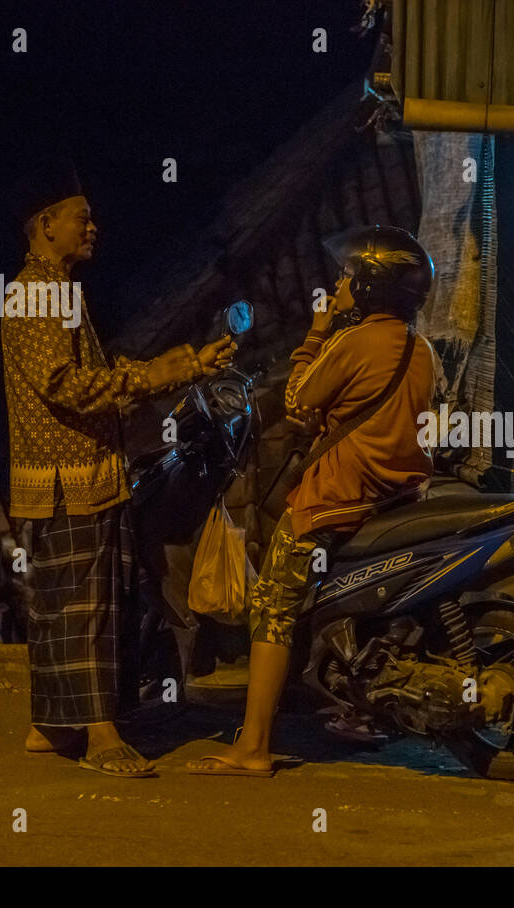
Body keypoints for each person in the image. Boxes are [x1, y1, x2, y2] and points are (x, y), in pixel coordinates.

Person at [2, 158, 236, 778]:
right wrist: (160, 372)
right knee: (88, 605)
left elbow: (85, 384)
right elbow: (67, 386)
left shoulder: (53, 290)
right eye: (81, 218)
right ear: (46, 225)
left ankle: (51, 725)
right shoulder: (40, 292)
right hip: (69, 480)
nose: (93, 227)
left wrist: (182, 366)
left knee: (72, 602)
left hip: (77, 477)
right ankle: (102, 734)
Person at [188, 224, 438, 777]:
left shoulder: (351, 340)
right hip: (395, 493)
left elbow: (299, 395)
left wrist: (318, 331)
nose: (339, 286)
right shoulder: (421, 351)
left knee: (273, 606)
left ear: (371, 286)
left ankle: (252, 747)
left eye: (349, 277)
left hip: (336, 495)